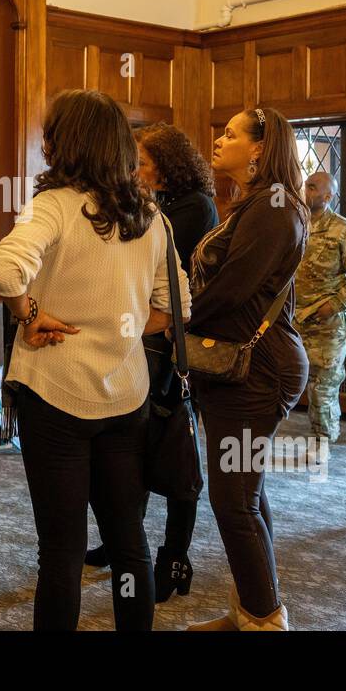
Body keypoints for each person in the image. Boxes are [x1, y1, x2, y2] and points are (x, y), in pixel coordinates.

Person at [0, 90, 191, 631]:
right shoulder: (150, 214)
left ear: (62, 143)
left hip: (55, 391)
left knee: (61, 550)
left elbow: (4, 271)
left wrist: (30, 311)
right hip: (127, 394)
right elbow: (176, 306)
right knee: (129, 544)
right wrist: (116, 331)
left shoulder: (52, 207)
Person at [83, 122, 217, 602]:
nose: (133, 170)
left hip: (171, 344)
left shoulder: (192, 207)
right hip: (137, 336)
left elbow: (155, 268)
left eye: (140, 162)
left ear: (165, 165)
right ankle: (125, 541)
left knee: (177, 452)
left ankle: (174, 557)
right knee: (131, 449)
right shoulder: (143, 207)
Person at [186, 107, 308, 633]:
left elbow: (233, 292)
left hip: (258, 366)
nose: (218, 140)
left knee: (233, 500)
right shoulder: (255, 203)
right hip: (245, 363)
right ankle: (253, 609)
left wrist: (171, 319)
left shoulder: (274, 206)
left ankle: (265, 621)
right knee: (247, 494)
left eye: (231, 134)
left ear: (259, 148)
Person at [295, 171, 346, 448]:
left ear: (327, 197)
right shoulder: (295, 223)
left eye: (312, 187)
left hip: (327, 322)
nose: (305, 190)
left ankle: (322, 441)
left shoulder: (343, 229)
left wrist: (333, 306)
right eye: (305, 185)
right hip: (292, 319)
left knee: (323, 387)